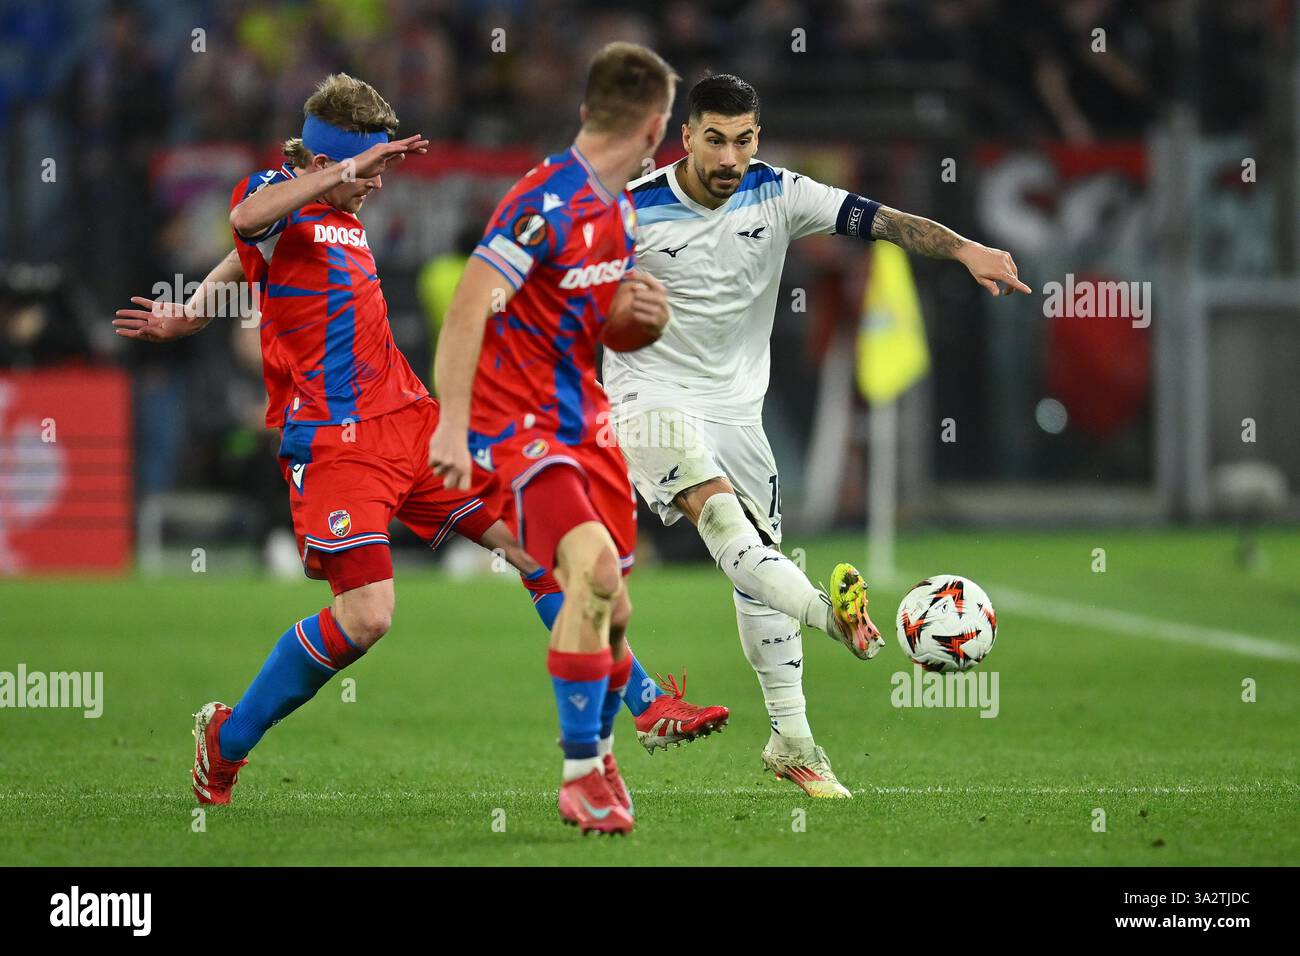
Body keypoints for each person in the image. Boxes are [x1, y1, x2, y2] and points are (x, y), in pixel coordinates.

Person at [604, 73, 1032, 797]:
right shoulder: (632, 210)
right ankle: (832, 618)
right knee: (722, 522)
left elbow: (885, 221)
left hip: (738, 410)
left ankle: (793, 742)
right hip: (649, 395)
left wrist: (965, 250)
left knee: (757, 571)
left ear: (757, 139)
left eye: (743, 140)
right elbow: (563, 288)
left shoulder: (780, 192)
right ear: (687, 137)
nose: (729, 157)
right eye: (715, 140)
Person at [428, 42, 698, 834]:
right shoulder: (543, 202)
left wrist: (640, 322)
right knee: (591, 574)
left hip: (587, 424)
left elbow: (593, 324)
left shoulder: (617, 211)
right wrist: (451, 425)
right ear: (656, 128)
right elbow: (467, 306)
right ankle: (580, 775)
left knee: (614, 607)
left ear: (588, 110)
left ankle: (601, 752)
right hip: (519, 427)